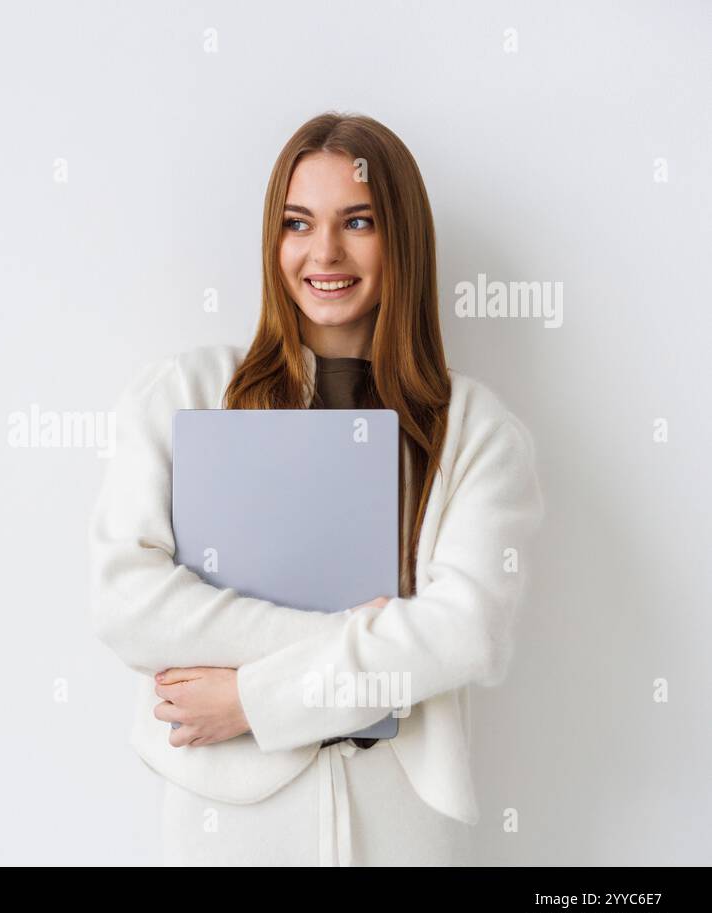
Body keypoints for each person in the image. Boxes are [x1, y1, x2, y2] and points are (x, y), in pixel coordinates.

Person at [88, 111, 546, 866]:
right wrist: (361, 646)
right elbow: (127, 603)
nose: (324, 251)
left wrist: (254, 699)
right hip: (227, 825)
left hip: (403, 829)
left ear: (401, 237)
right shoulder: (185, 394)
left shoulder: (477, 430)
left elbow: (467, 632)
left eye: (357, 220)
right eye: (298, 223)